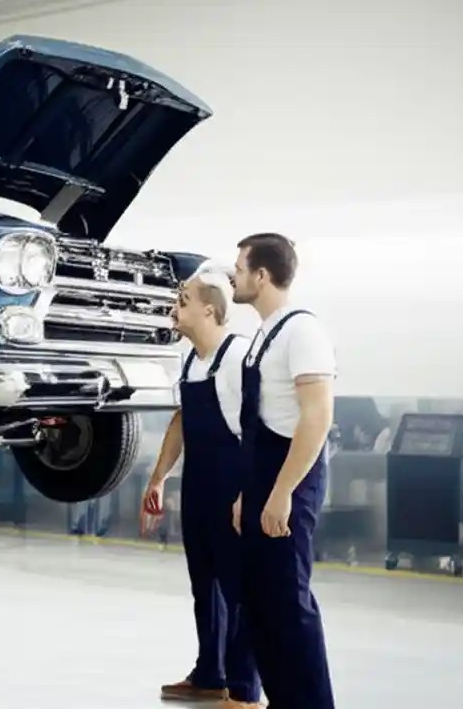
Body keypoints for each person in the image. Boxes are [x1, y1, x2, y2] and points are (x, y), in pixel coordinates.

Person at [141, 262, 262, 708]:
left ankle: (246, 691)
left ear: (210, 311)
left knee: (238, 588)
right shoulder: (190, 359)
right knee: (204, 584)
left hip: (232, 484)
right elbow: (181, 421)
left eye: (184, 301)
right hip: (198, 485)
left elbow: (255, 430)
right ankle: (210, 674)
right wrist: (158, 478)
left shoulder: (239, 357)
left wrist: (249, 493)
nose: (175, 307)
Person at [230, 232, 337, 709]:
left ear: (262, 275)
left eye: (239, 266)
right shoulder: (264, 334)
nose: (234, 275)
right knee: (257, 601)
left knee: (288, 604)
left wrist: (282, 493)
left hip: (290, 478)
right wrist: (247, 494)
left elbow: (316, 417)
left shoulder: (302, 331)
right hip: (261, 477)